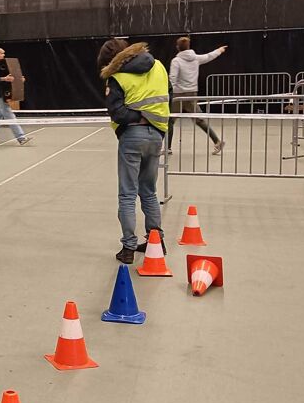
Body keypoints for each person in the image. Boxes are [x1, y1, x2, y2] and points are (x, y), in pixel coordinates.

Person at [98, 38, 169, 264]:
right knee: (149, 191)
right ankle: (156, 240)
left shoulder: (117, 77)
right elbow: (169, 98)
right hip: (157, 134)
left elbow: (116, 113)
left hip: (132, 136)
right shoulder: (158, 66)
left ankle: (128, 247)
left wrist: (138, 117)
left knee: (127, 193)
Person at [168, 36, 228, 155]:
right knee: (199, 120)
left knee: (170, 120)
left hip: (178, 95)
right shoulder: (196, 58)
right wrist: (219, 50)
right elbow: (209, 56)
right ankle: (217, 141)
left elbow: (173, 78)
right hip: (192, 94)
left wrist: (169, 91)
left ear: (177, 47)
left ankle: (168, 147)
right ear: (189, 47)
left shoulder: (176, 61)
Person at [0, 47, 31, 146]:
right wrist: (4, 78)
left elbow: (10, 76)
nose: (4, 55)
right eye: (2, 53)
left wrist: (18, 79)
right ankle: (21, 138)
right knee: (9, 115)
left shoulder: (2, 64)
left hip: (2, 93)